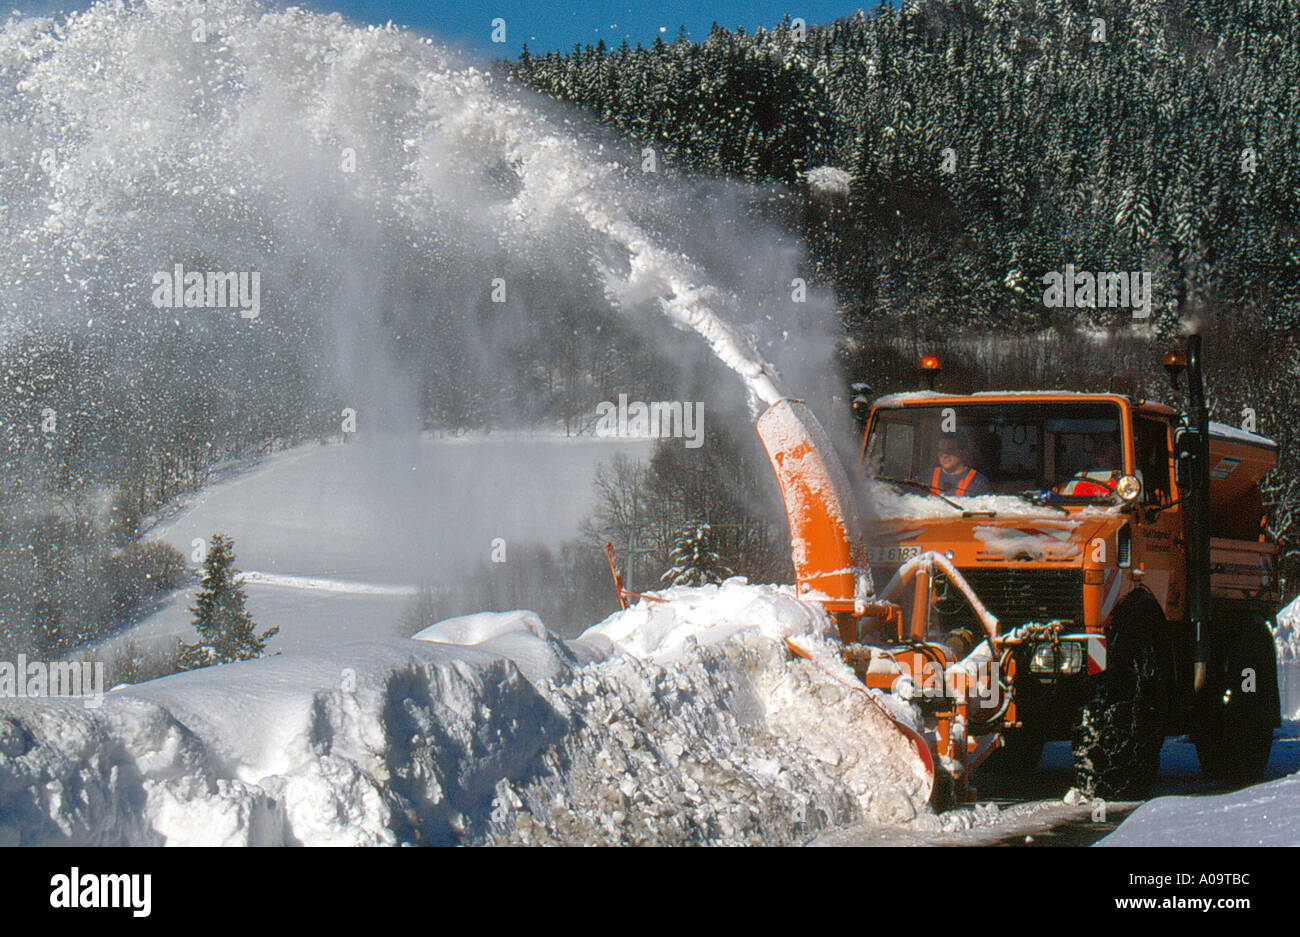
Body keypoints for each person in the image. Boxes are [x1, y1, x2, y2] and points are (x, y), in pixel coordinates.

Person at [914, 432, 994, 496]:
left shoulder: (979, 482)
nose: (944, 455)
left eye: (950, 450)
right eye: (941, 451)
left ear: (962, 452)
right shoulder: (925, 477)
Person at [1058, 432, 1122, 496]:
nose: (1099, 448)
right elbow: (1065, 501)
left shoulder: (1122, 477)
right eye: (1097, 443)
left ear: (1117, 447)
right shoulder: (1081, 475)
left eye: (1105, 444)